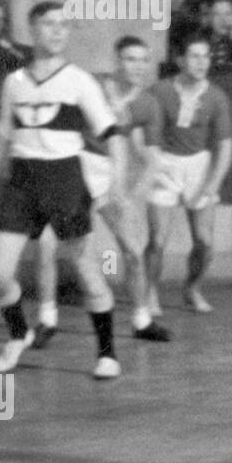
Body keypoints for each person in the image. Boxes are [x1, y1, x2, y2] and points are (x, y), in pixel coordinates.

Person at [0, 1, 128, 379]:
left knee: (86, 270)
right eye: (49, 24)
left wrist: (117, 185)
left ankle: (107, 354)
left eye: (64, 25)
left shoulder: (79, 81)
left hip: (66, 182)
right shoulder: (14, 83)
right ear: (32, 30)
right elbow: (1, 135)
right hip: (22, 184)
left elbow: (112, 136)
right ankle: (18, 334)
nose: (58, 31)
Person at [32, 36, 172, 348]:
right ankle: (47, 318)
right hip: (75, 167)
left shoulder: (148, 103)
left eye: (143, 60)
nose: (137, 66)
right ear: (116, 61)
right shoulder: (91, 84)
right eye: (130, 59)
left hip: (112, 174)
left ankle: (142, 320)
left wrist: (131, 196)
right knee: (47, 245)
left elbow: (152, 158)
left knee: (133, 251)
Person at [145, 35, 232, 315]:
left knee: (205, 243)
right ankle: (149, 293)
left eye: (206, 56)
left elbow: (226, 145)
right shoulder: (159, 91)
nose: (201, 62)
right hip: (166, 163)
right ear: (181, 60)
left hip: (199, 165)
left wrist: (213, 183)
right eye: (194, 56)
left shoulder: (217, 96)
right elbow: (142, 131)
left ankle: (192, 288)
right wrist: (152, 163)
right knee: (158, 240)